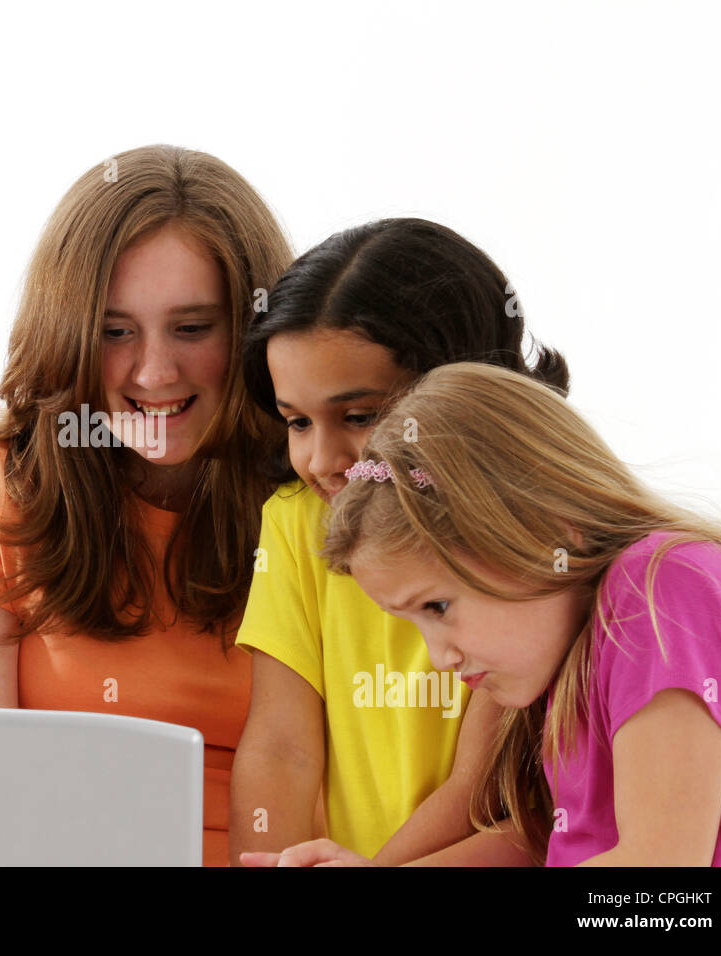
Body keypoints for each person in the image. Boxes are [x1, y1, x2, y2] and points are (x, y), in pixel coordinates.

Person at [0, 144, 292, 866]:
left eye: (193, 327)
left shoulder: (311, 507)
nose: (154, 372)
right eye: (116, 332)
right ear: (69, 333)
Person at [303, 361, 721, 866]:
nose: (439, 658)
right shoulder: (571, 651)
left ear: (545, 531)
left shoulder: (662, 587)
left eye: (437, 606)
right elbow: (549, 837)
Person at [232, 219, 569, 865]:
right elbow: (282, 746)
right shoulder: (298, 521)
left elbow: (492, 797)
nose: (323, 458)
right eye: (297, 421)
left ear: (463, 388)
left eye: (358, 417)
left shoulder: (523, 537)